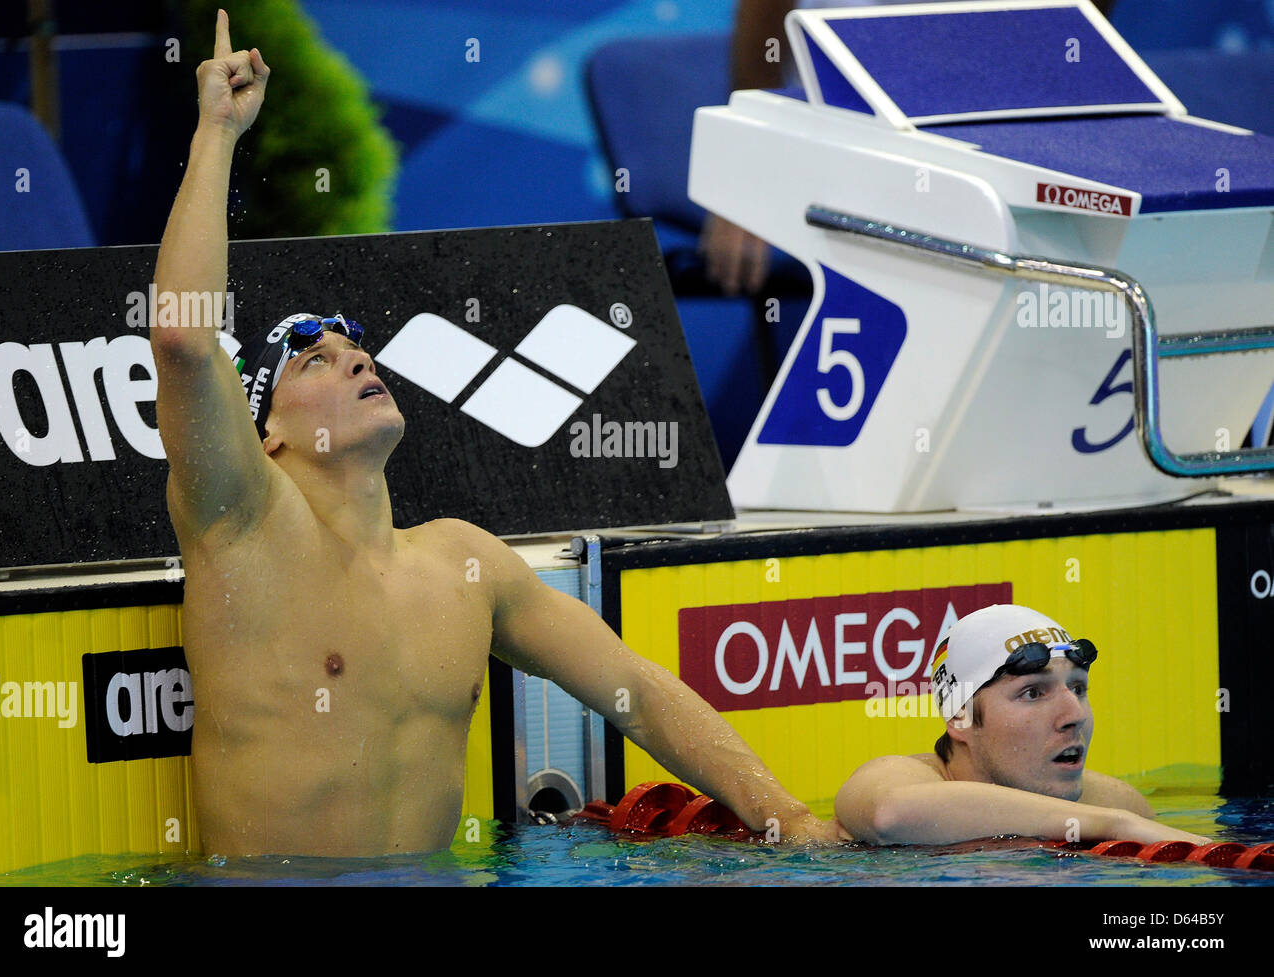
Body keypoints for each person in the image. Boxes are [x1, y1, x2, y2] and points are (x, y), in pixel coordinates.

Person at [151, 9, 841, 857]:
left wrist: (788, 814)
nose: (355, 358)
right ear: (267, 439)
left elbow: (633, 687)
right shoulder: (242, 529)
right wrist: (217, 131)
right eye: (313, 360)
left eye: (356, 346)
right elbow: (184, 341)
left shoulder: (461, 564)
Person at [703, 0, 1120, 295]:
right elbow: (762, 34)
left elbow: (1077, 32)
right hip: (842, 149)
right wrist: (747, 172)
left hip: (983, 149)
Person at [834, 604, 1210, 846]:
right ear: (959, 718)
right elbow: (890, 815)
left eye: (1078, 688)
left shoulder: (1116, 803)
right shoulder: (895, 778)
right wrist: (1113, 828)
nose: (1074, 715)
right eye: (1033, 693)